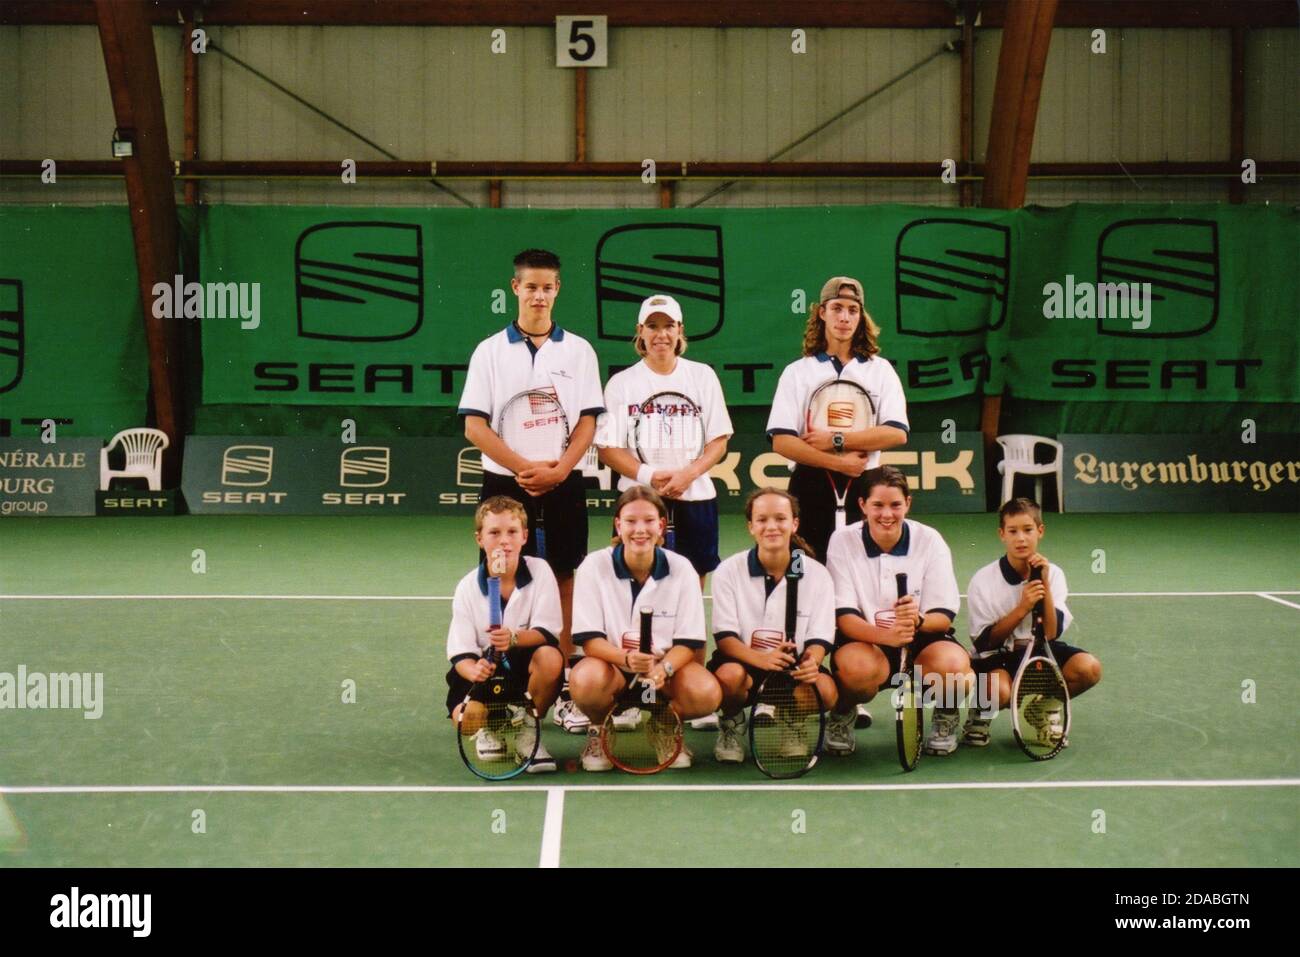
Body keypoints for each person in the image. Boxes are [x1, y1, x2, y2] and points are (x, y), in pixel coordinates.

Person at [458, 248, 603, 734]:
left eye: (548, 287)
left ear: (557, 290)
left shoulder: (579, 351)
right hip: (506, 481)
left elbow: (587, 420)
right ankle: (496, 684)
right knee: (500, 574)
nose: (539, 295)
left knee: (564, 576)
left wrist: (560, 469)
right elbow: (475, 427)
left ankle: (561, 684)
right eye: (531, 286)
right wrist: (524, 469)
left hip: (563, 478)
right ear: (515, 288)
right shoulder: (488, 352)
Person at [567, 486, 722, 771]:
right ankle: (599, 727)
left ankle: (664, 723)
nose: (640, 529)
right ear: (618, 524)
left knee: (707, 693)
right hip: (612, 667)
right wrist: (626, 659)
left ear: (661, 525)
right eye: (631, 521)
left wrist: (664, 670)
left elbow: (688, 642)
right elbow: (589, 641)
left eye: (649, 521)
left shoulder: (683, 568)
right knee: (584, 680)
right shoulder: (593, 566)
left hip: (662, 673)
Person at [825, 466, 971, 756]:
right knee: (854, 669)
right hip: (867, 639)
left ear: (908, 504)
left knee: (954, 668)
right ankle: (843, 712)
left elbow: (943, 616)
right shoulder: (842, 541)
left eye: (895, 505)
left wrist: (917, 620)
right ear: (862, 505)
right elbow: (844, 618)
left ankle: (945, 712)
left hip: (922, 637)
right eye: (877, 505)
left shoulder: (930, 540)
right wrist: (887, 636)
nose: (887, 514)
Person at [766, 276, 909, 562]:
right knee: (808, 571)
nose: (844, 317)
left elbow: (896, 432)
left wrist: (836, 439)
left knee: (862, 570)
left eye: (852, 310)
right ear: (822, 312)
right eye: (837, 308)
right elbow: (781, 440)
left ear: (861, 316)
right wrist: (837, 461)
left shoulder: (880, 371)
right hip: (810, 484)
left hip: (864, 482)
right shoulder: (797, 372)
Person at [597, 293, 732, 592]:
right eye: (652, 326)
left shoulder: (702, 376)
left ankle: (688, 640)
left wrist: (688, 475)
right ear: (640, 331)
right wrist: (649, 476)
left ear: (680, 330)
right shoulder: (622, 383)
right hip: (638, 499)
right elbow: (608, 448)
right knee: (634, 581)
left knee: (690, 584)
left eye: (669, 326)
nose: (661, 334)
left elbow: (718, 440)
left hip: (695, 498)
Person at [707, 488, 838, 763]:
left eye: (780, 518)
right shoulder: (728, 571)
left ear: (794, 524)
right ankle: (731, 722)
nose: (771, 527)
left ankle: (793, 720)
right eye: (762, 519)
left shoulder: (817, 574)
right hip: (743, 660)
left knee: (825, 691)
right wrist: (761, 659)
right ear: (751, 526)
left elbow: (821, 635)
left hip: (794, 665)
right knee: (728, 678)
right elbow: (725, 637)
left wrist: (812, 662)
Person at [963, 497, 1103, 748]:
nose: (1021, 538)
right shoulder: (983, 580)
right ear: (1001, 534)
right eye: (1013, 531)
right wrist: (1022, 608)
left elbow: (1051, 632)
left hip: (1040, 650)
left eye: (1028, 530)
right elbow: (984, 643)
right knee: (999, 691)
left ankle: (1041, 710)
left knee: (1088, 668)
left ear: (1040, 531)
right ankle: (981, 713)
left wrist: (1044, 586)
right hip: (999, 655)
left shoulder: (1055, 574)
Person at [445, 496, 565, 773]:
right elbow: (460, 652)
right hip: (483, 669)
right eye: (494, 533)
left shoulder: (540, 571)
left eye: (512, 532)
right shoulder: (466, 587)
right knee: (467, 721)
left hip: (523, 666)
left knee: (551, 658)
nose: (504, 541)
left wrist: (514, 638)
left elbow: (548, 633)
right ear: (479, 538)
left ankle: (528, 728)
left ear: (524, 536)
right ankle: (490, 726)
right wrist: (473, 670)